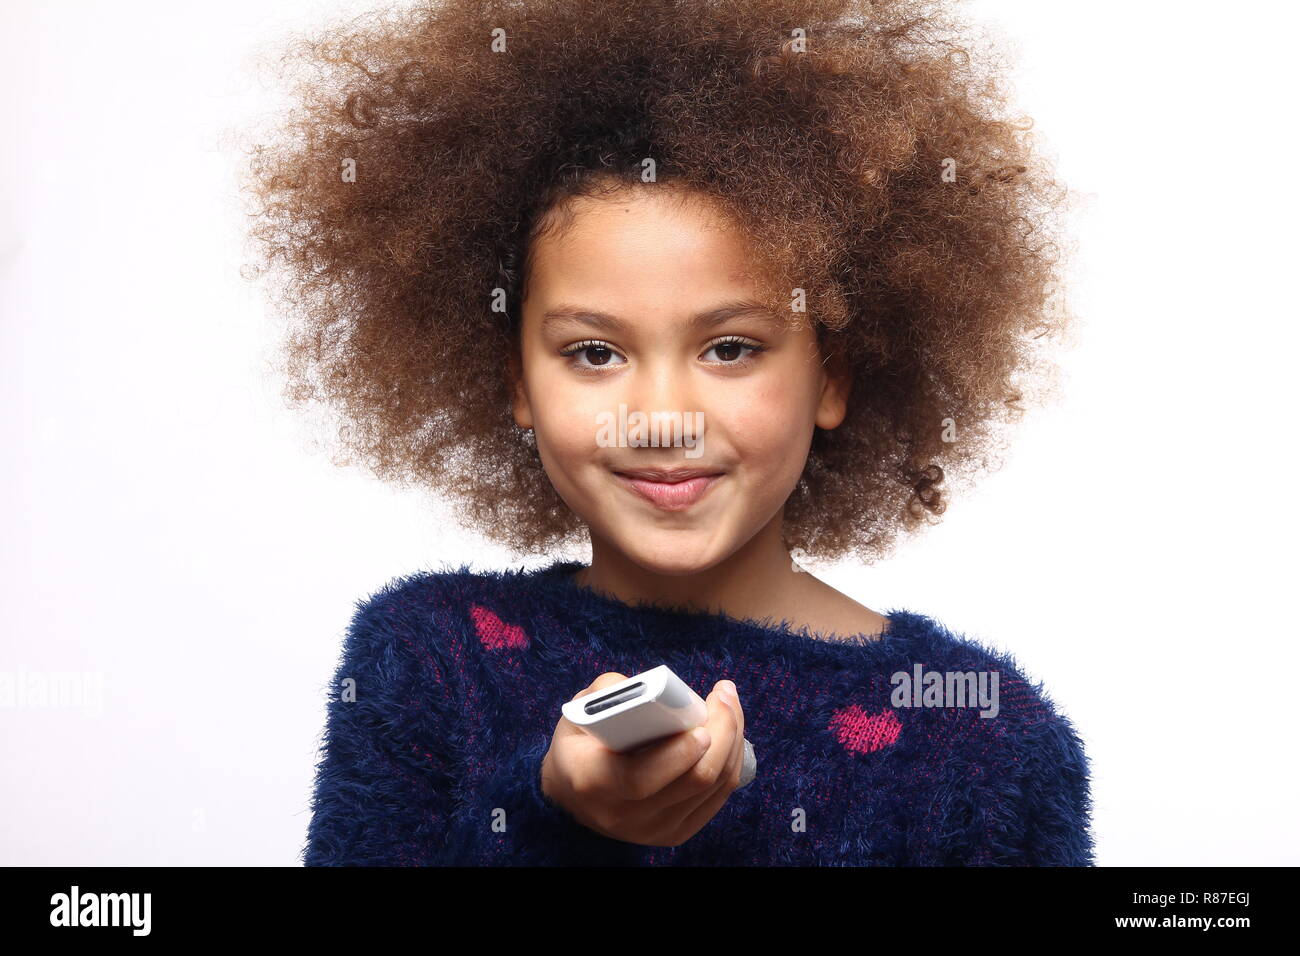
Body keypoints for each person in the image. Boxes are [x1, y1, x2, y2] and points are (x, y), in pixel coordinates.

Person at [242, 0, 1094, 865]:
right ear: (518, 384)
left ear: (831, 375)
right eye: (594, 351)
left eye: (730, 348)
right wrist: (555, 819)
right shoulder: (429, 662)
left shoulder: (981, 736)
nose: (661, 417)